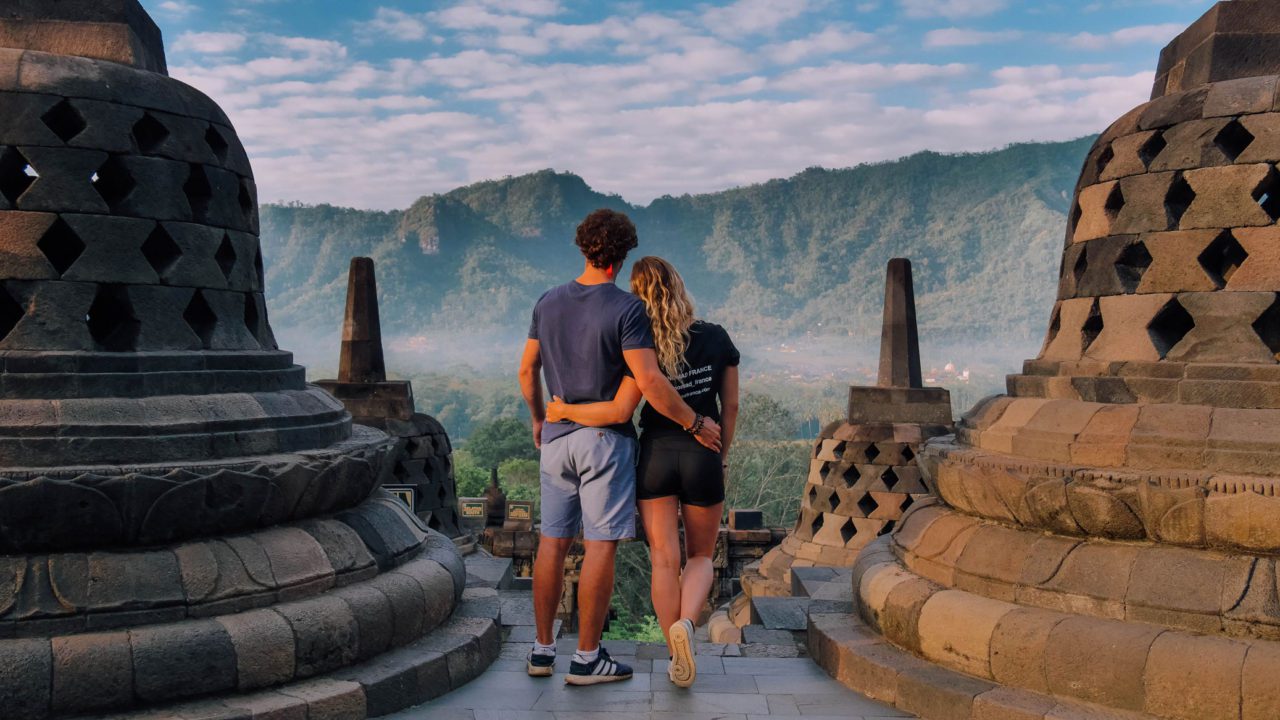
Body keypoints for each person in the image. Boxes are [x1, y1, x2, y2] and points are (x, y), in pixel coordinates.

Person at [518, 211, 722, 686]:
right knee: (599, 545)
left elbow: (527, 370)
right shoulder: (627, 309)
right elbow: (649, 380)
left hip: (556, 440)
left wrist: (538, 417)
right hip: (604, 443)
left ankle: (542, 649)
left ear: (584, 249)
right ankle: (588, 658)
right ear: (622, 256)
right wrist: (694, 422)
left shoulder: (547, 302)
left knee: (551, 541)